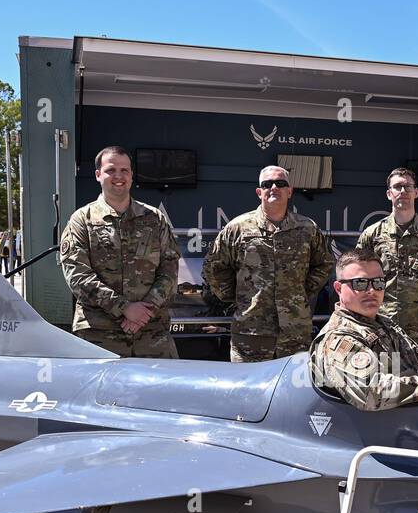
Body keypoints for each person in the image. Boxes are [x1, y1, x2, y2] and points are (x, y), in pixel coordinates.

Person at [59, 145, 182, 358]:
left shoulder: (154, 219)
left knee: (157, 392)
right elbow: (78, 276)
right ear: (98, 175)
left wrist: (144, 312)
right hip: (99, 336)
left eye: (124, 170)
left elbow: (169, 270)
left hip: (151, 335)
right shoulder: (81, 221)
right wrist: (124, 307)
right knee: (99, 393)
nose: (118, 176)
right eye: (111, 170)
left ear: (132, 175)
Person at [202, 165, 334, 362]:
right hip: (251, 334)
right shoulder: (237, 228)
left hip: (294, 332)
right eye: (267, 184)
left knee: (292, 390)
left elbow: (325, 263)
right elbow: (214, 266)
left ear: (290, 191)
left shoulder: (307, 228)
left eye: (281, 183)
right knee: (247, 389)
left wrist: (302, 291)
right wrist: (237, 297)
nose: (274, 187)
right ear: (259, 192)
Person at [312, 250, 418, 411]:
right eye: (360, 283)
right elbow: (371, 392)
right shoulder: (338, 338)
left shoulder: (384, 324)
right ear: (338, 288)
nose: (371, 290)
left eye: (378, 283)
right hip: (368, 433)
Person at [354, 167, 418, 353]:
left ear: (416, 192)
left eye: (408, 187)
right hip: (382, 325)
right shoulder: (373, 234)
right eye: (397, 187)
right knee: (386, 376)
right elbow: (360, 274)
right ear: (389, 194)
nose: (403, 192)